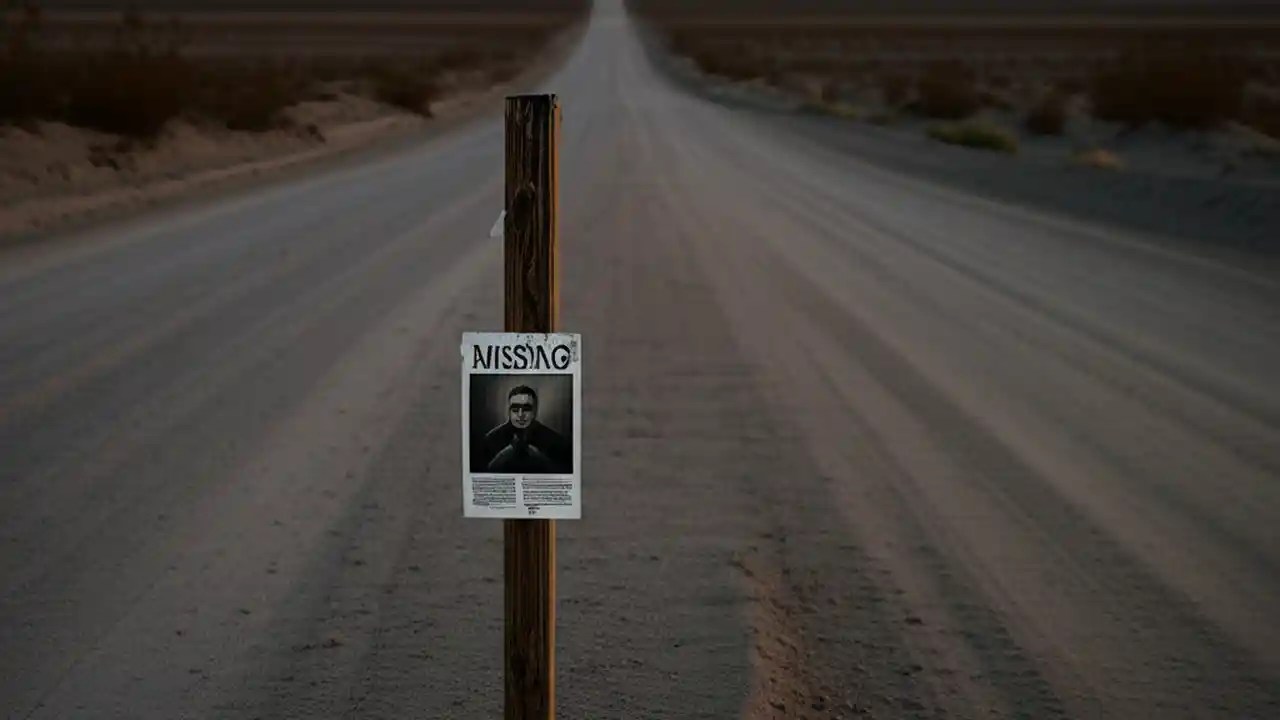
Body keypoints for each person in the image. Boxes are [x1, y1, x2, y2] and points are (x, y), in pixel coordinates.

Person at [481, 385, 571, 474]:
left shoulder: (554, 441)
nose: (520, 414)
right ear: (509, 411)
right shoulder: (491, 440)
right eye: (515, 409)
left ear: (534, 411)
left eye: (526, 409)